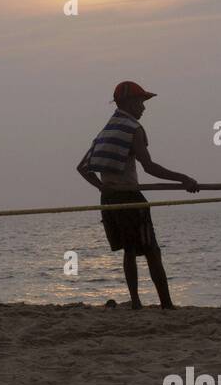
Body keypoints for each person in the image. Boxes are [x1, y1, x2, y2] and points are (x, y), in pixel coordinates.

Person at [77, 81, 199, 309]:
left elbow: (82, 168)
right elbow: (149, 167)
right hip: (129, 198)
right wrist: (184, 179)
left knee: (130, 251)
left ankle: (135, 303)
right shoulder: (133, 129)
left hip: (109, 200)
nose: (143, 108)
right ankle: (167, 304)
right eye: (140, 102)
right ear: (127, 103)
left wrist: (103, 188)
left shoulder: (108, 129)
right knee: (152, 250)